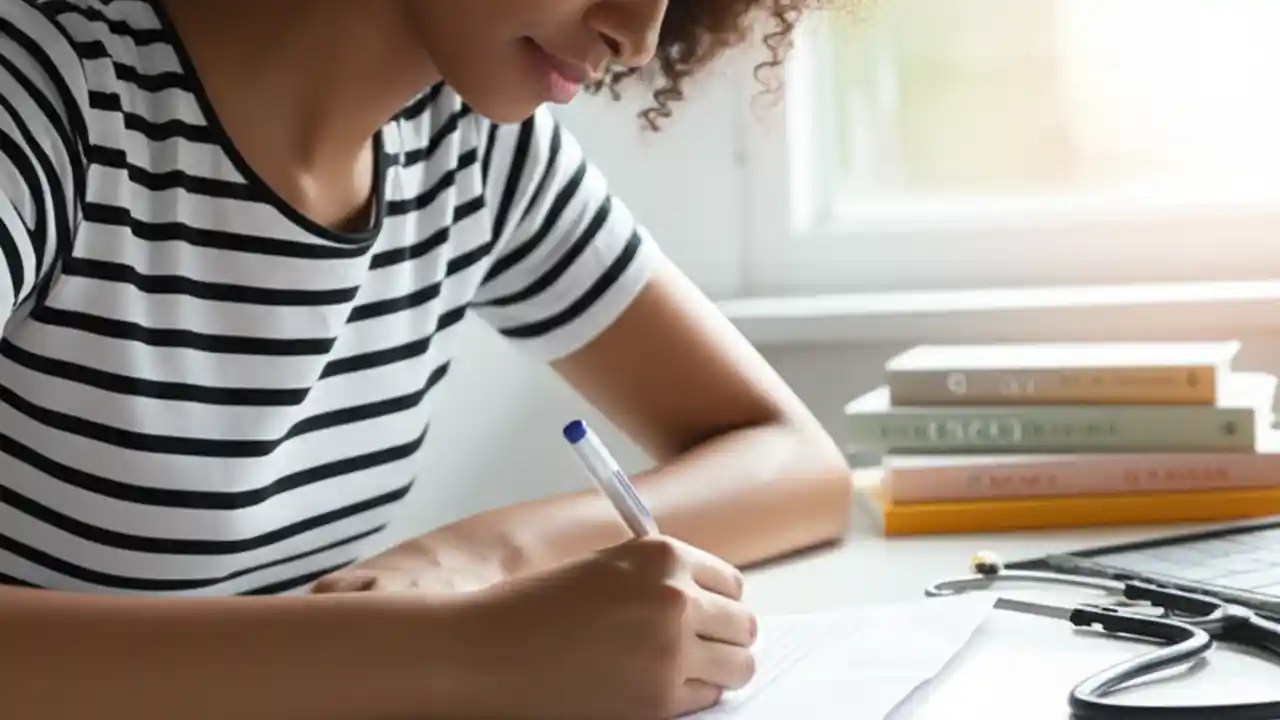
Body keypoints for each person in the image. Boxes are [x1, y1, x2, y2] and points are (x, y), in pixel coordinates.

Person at [0, 0, 852, 717]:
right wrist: (464, 653)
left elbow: (796, 462)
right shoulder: (45, 96)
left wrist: (488, 556)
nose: (636, 31)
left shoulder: (472, 149)